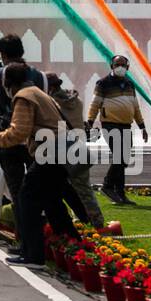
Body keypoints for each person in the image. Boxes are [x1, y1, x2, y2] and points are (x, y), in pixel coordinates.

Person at [0, 62, 79, 268]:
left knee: (26, 200)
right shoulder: (39, 93)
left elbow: (18, 132)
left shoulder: (23, 97)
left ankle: (34, 255)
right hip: (59, 152)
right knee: (53, 203)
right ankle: (75, 248)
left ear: (8, 84)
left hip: (48, 153)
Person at [45, 72, 105, 229]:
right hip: (78, 147)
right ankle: (95, 220)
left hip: (60, 149)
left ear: (49, 87)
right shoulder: (76, 101)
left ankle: (79, 222)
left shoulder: (51, 103)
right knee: (83, 188)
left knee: (56, 189)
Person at [87, 54, 147, 205]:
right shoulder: (103, 83)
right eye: (117, 64)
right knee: (120, 157)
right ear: (111, 66)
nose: (120, 67)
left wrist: (142, 126)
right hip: (110, 124)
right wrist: (90, 121)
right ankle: (107, 186)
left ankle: (120, 194)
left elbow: (135, 107)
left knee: (124, 159)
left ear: (127, 67)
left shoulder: (129, 84)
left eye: (122, 65)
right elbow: (95, 104)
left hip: (126, 125)